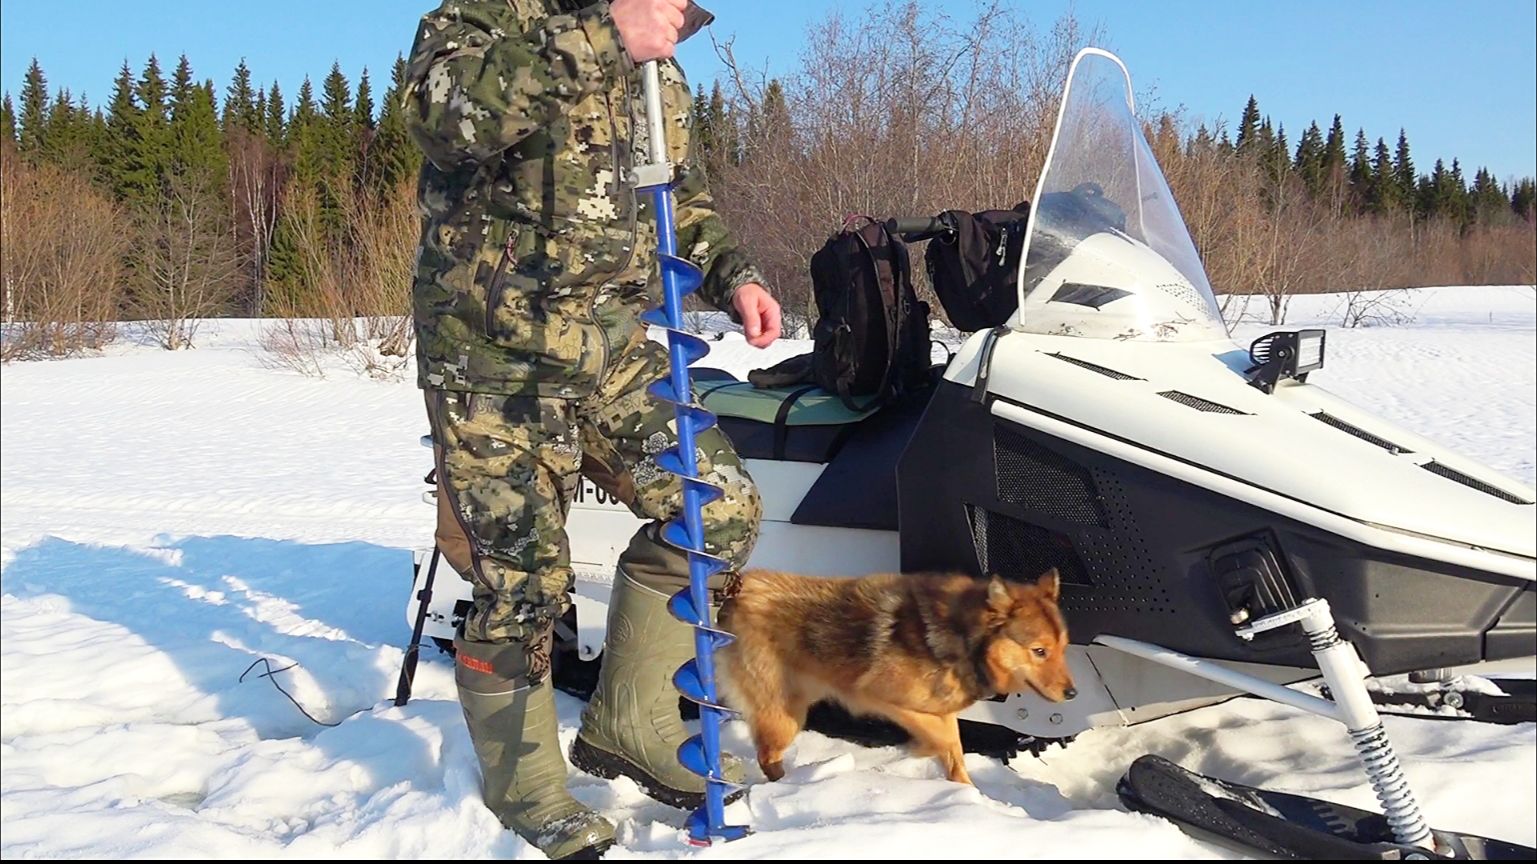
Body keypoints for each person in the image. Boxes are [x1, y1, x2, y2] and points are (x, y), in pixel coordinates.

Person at [401, 0, 781, 858]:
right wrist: (602, 37)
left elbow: (678, 196)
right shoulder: (491, 14)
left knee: (716, 507)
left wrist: (735, 274)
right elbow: (439, 114)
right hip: (492, 350)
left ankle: (629, 724)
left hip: (608, 342)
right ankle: (527, 783)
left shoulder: (664, 60)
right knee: (524, 580)